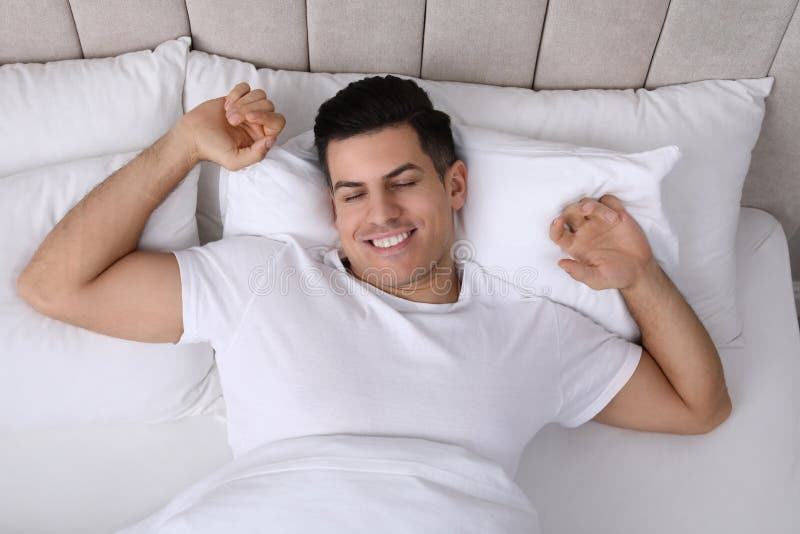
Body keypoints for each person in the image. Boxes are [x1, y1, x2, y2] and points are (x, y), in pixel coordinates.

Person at [17, 75, 731, 478]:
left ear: (455, 186)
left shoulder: (534, 328)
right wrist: (180, 146)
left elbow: (699, 408)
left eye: (403, 182)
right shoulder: (264, 277)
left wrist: (642, 279)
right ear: (332, 206)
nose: (380, 213)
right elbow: (55, 287)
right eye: (353, 192)